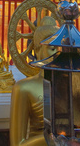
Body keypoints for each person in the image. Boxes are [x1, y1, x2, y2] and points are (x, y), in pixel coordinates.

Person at [10, 16, 58, 146]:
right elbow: (17, 144)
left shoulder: (71, 85)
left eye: (61, 48)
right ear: (37, 50)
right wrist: (53, 140)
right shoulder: (23, 88)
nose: (58, 53)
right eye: (53, 48)